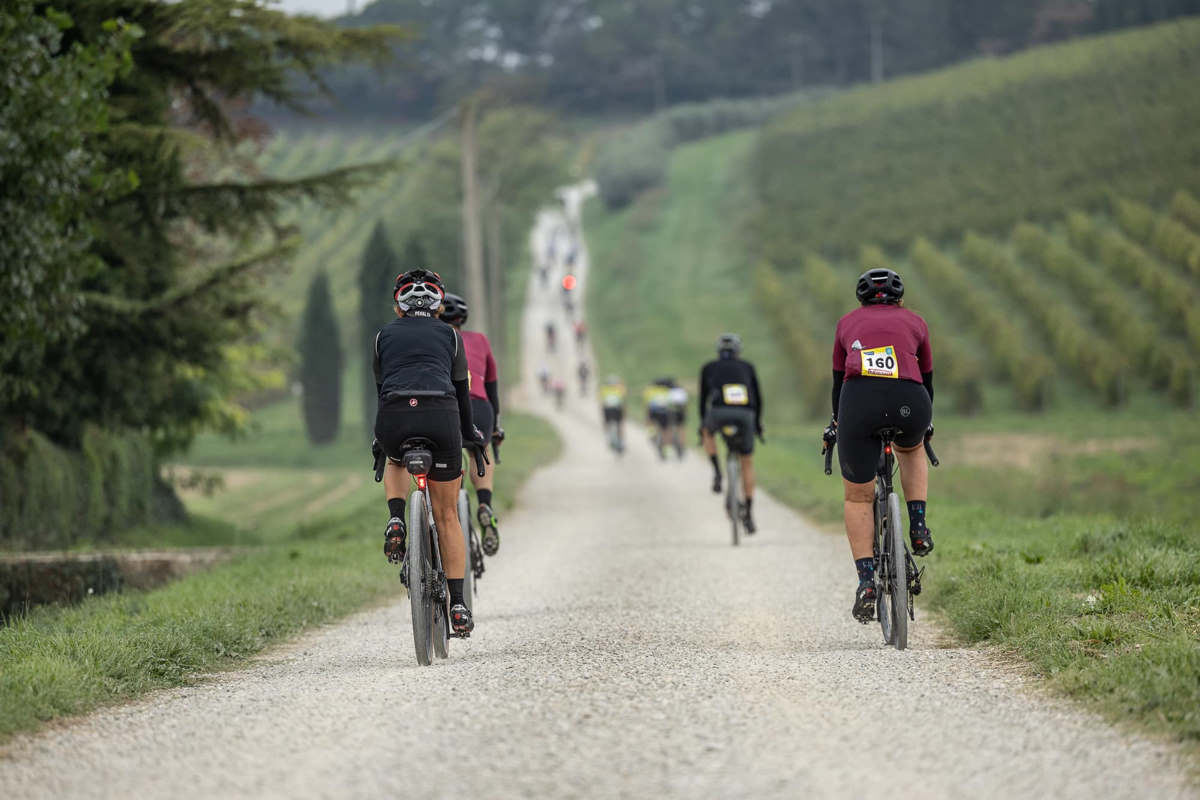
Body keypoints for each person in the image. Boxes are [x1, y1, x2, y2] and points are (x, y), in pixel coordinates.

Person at [373, 268, 488, 636]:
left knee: (393, 457)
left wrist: (381, 437)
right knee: (448, 515)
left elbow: (382, 391)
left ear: (398, 306)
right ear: (438, 305)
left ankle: (396, 518)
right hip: (441, 418)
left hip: (394, 418)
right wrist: (470, 432)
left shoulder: (382, 337)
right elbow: (461, 394)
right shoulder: (451, 338)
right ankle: (457, 605)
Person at [826, 268, 934, 625]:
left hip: (859, 403)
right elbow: (928, 378)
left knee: (858, 496)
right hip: (910, 402)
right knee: (911, 447)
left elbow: (839, 384)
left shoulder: (846, 323)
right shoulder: (916, 321)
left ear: (861, 300)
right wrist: (924, 423)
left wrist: (836, 423)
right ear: (900, 298)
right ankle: (918, 526)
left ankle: (867, 582)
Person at [438, 293, 503, 556]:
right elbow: (492, 386)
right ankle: (484, 504)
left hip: (447, 406)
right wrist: (496, 425)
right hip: (480, 407)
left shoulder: (437, 340)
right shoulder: (480, 340)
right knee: (480, 450)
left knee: (446, 457)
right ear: (463, 318)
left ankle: (449, 511)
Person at [699, 333, 763, 533]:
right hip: (745, 415)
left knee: (708, 434)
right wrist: (758, 425)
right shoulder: (747, 367)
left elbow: (703, 400)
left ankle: (717, 472)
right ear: (738, 351)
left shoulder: (709, 367)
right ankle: (750, 515)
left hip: (718, 414)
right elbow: (758, 399)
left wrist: (702, 425)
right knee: (747, 462)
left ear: (719, 351)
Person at [643, 380, 672, 459]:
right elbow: (670, 403)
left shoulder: (650, 390)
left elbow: (647, 404)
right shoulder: (667, 390)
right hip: (664, 412)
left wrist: (647, 415)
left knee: (650, 421)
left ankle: (651, 433)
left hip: (654, 412)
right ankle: (667, 449)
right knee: (666, 430)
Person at [599, 375, 627, 453]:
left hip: (607, 409)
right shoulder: (620, 389)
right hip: (617, 409)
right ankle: (621, 442)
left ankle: (608, 438)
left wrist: (602, 413)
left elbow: (602, 403)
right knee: (620, 425)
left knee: (607, 424)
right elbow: (623, 401)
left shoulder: (604, 390)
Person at [666, 380, 688, 460]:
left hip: (672, 411)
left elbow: (667, 404)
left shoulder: (670, 391)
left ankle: (669, 448)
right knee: (681, 428)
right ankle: (682, 446)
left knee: (669, 428)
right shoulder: (682, 391)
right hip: (680, 411)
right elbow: (685, 404)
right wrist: (685, 413)